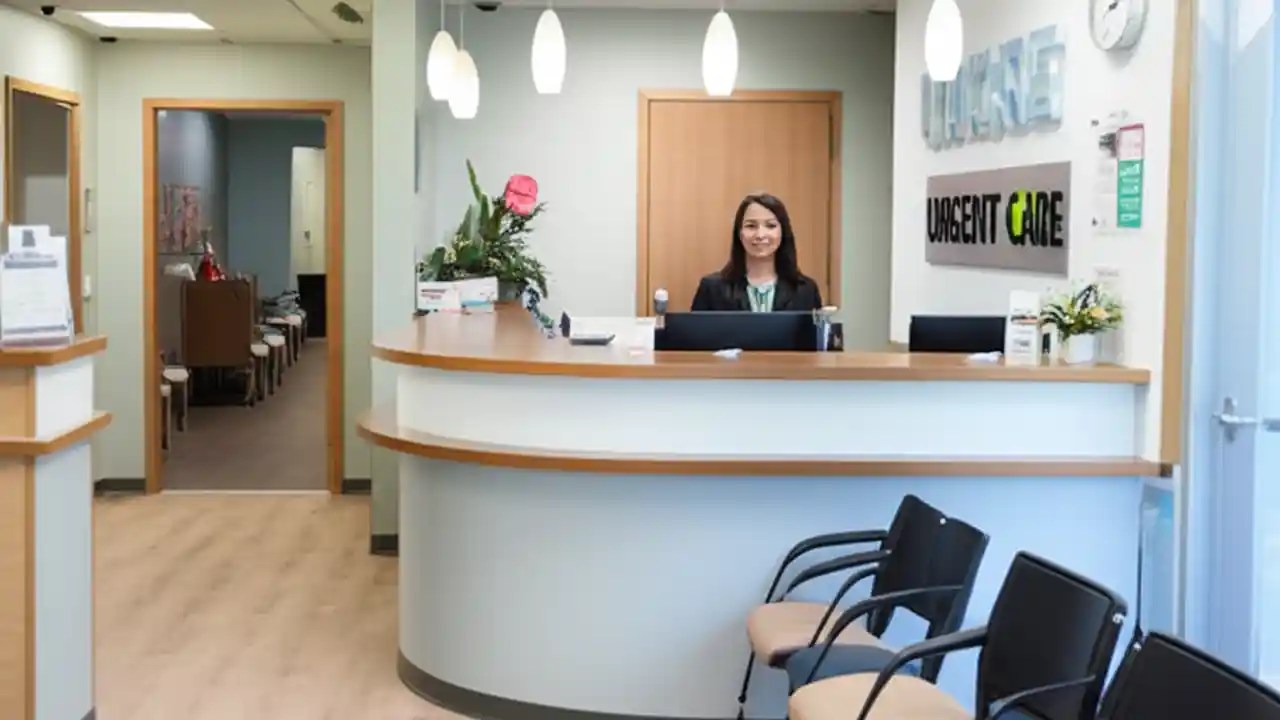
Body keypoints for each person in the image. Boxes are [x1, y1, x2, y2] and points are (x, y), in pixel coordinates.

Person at [691, 193, 823, 312]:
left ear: (783, 233)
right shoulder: (712, 288)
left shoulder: (806, 290)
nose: (760, 235)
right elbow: (695, 337)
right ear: (740, 234)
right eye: (751, 226)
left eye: (770, 226)